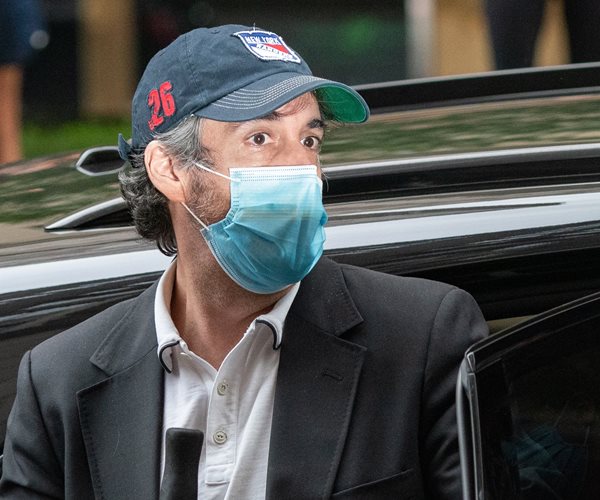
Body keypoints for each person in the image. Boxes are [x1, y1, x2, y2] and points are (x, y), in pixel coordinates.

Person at [0, 25, 488, 499]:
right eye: (260, 138)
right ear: (169, 169)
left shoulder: (421, 340)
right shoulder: (58, 381)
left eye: (310, 140)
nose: (303, 169)